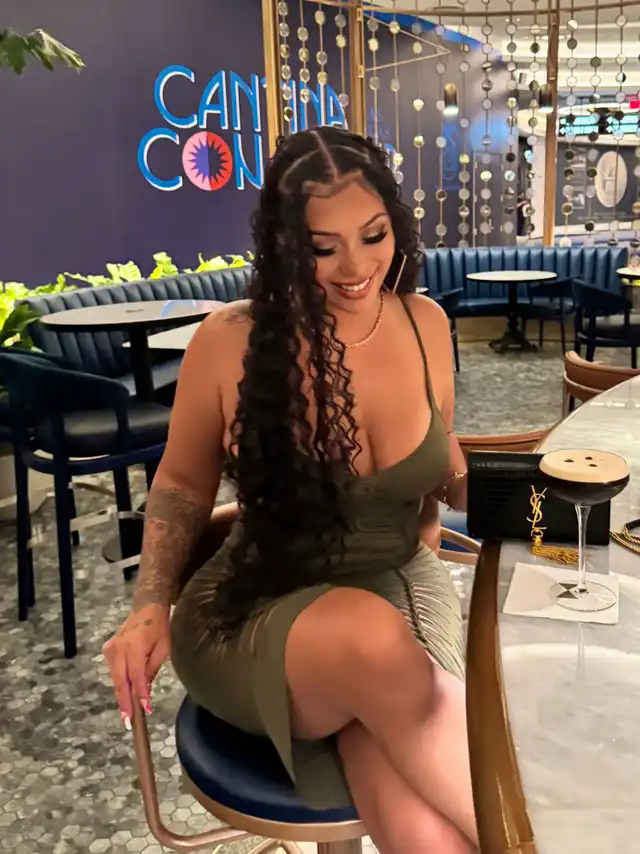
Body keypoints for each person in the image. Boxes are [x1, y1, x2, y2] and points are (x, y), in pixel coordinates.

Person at [104, 126, 477, 854]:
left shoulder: (426, 324)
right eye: (322, 247)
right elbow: (181, 483)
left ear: (396, 225)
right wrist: (149, 603)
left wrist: (503, 494)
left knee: (424, 822)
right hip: (254, 605)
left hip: (398, 583)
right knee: (374, 643)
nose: (356, 267)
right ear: (282, 246)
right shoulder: (228, 341)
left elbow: (442, 466)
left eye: (373, 236)